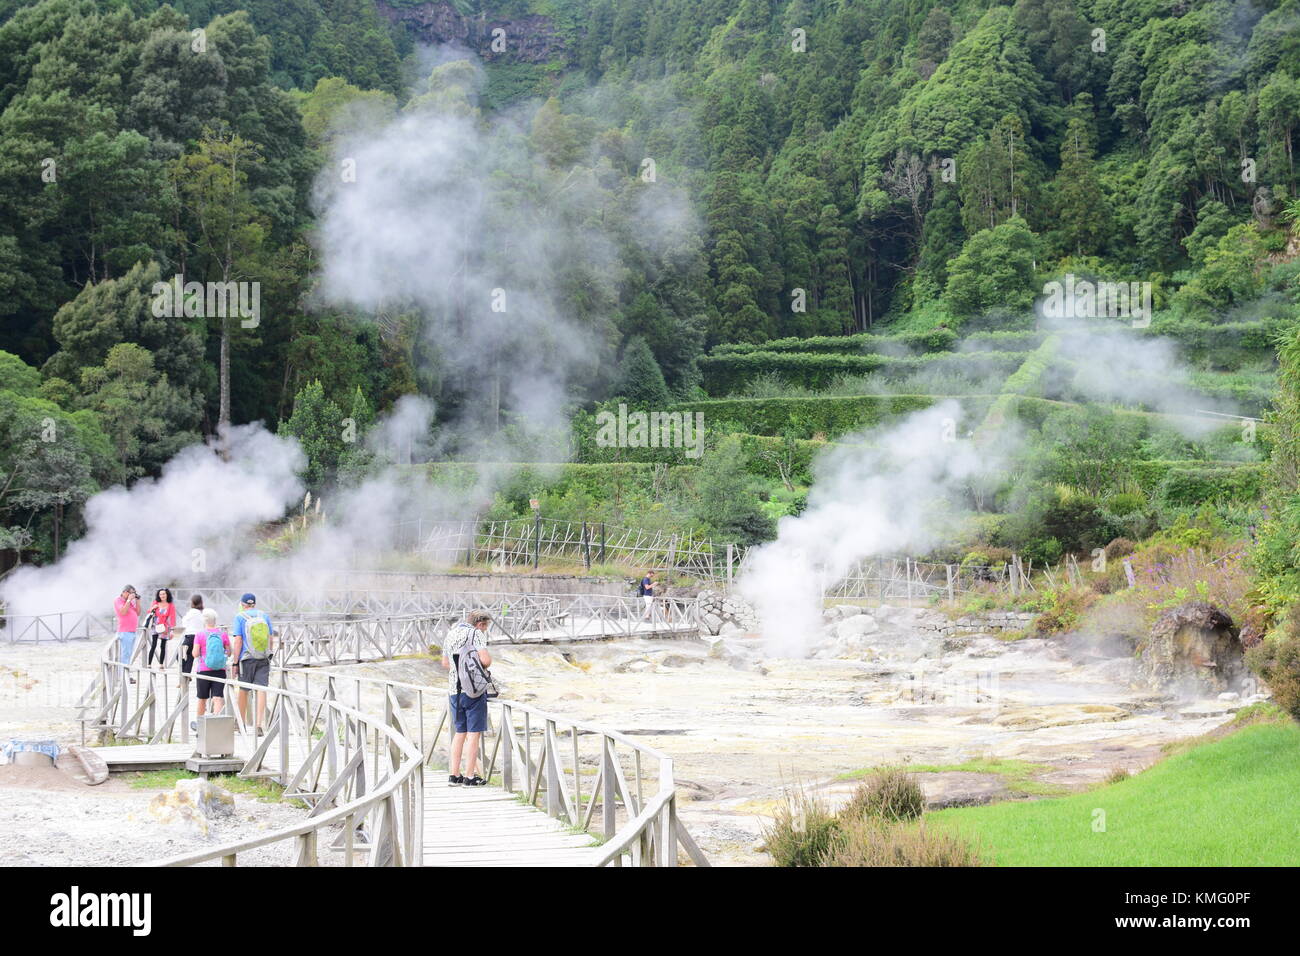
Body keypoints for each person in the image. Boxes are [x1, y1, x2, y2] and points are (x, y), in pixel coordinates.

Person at [441, 610, 493, 787]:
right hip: (472, 690)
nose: (485, 630)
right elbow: (485, 660)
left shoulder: (451, 634)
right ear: (480, 624)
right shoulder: (475, 634)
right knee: (473, 734)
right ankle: (470, 776)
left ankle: (454, 775)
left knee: (459, 733)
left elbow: (445, 663)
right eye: (486, 626)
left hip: (454, 690)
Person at [230, 593, 275, 734]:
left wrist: (235, 663)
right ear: (254, 603)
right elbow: (270, 638)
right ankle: (259, 725)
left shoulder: (240, 617)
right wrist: (268, 655)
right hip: (263, 658)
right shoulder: (264, 616)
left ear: (242, 604)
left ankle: (240, 723)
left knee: (243, 690)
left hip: (246, 658)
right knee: (261, 689)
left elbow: (238, 641)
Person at [192, 609, 230, 721]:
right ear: (215, 620)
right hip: (220, 670)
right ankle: (216, 724)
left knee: (202, 699)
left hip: (203, 670)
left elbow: (195, 654)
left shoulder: (199, 635)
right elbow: (229, 652)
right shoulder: (223, 634)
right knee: (217, 698)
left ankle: (199, 724)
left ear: (204, 621)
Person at [113, 585, 140, 684]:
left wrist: (137, 601)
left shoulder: (130, 603)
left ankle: (126, 675)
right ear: (125, 592)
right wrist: (129, 600)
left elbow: (138, 613)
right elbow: (123, 612)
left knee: (128, 656)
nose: (132, 595)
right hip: (125, 632)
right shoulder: (118, 600)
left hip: (132, 632)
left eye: (133, 593)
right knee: (125, 656)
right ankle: (123, 677)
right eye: (131, 593)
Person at [146, 588, 177, 668]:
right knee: (154, 645)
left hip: (164, 627)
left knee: (162, 646)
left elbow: (173, 618)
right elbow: (149, 612)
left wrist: (172, 631)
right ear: (158, 595)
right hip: (155, 626)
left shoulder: (170, 605)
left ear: (167, 595)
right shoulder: (155, 602)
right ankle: (149, 664)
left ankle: (161, 664)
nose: (162, 595)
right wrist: (153, 608)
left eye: (164, 594)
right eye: (160, 594)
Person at [179, 594, 204, 679]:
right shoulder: (201, 613)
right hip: (199, 636)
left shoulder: (192, 611)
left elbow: (184, 623)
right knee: (190, 657)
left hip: (190, 636)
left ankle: (184, 676)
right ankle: (187, 676)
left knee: (180, 655)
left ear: (192, 602)